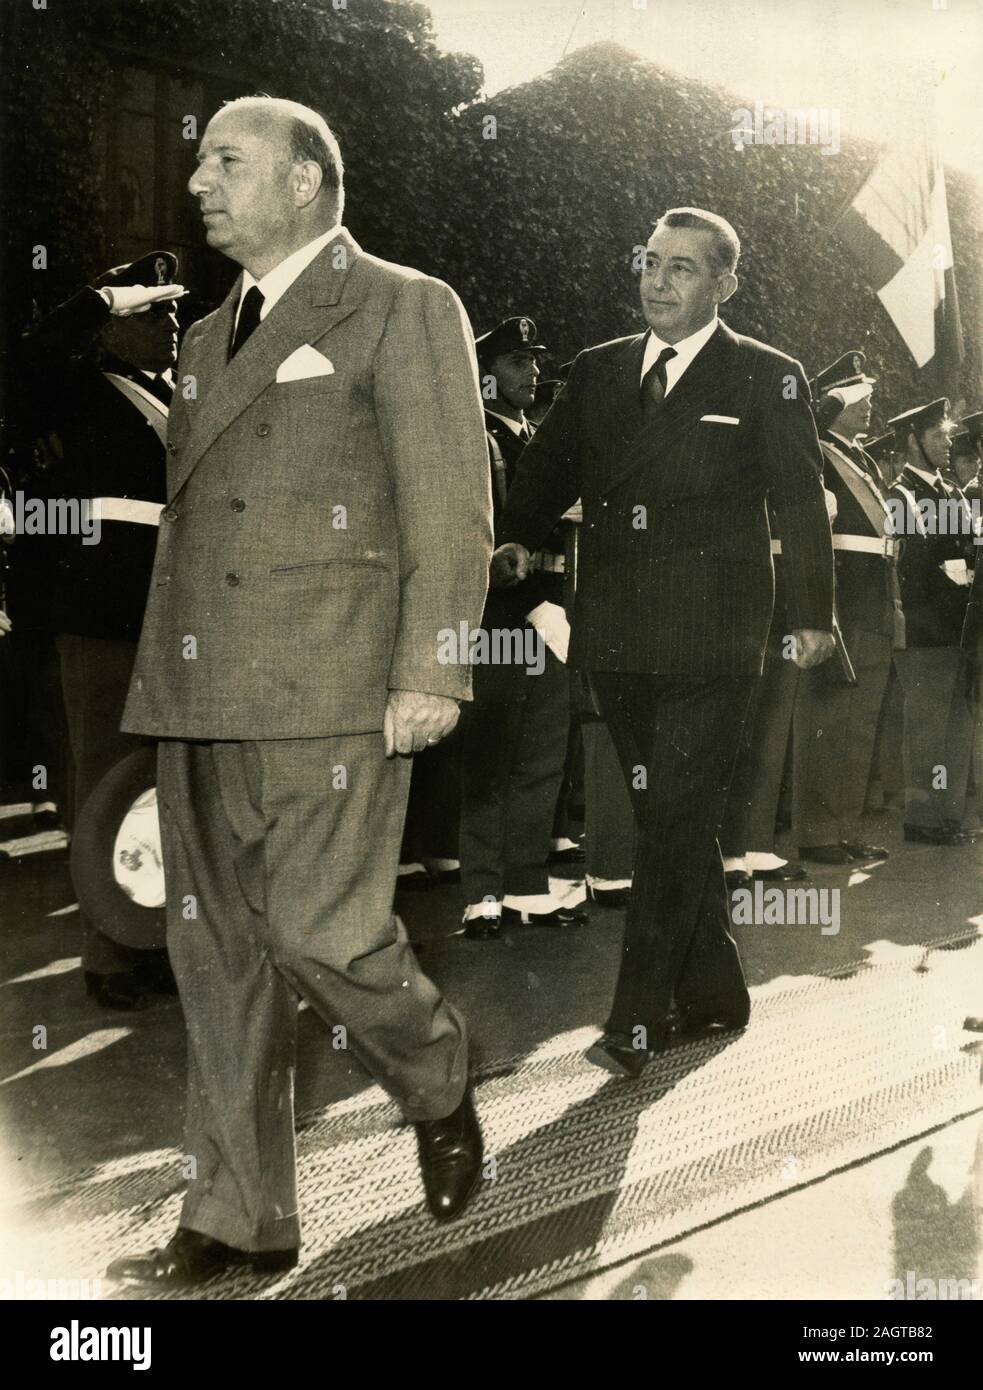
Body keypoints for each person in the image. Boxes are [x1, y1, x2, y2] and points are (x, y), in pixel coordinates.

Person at [109, 96, 491, 1289]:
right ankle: (235, 1215)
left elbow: (449, 506)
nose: (200, 183)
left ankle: (433, 1078)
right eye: (200, 163)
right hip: (197, 684)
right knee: (213, 958)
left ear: (308, 182)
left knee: (323, 934)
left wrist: (433, 668)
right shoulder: (206, 333)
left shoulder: (403, 304)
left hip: (331, 681)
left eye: (228, 161)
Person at [492, 207, 835, 1077]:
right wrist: (510, 547)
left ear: (725, 283)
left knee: (672, 821)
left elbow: (797, 504)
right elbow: (541, 477)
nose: (657, 281)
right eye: (649, 262)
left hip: (712, 639)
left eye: (682, 268)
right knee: (667, 820)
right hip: (612, 632)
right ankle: (716, 994)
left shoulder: (768, 377)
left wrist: (810, 617)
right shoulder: (599, 371)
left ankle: (635, 1022)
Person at [18, 253, 184, 1006]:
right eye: (154, 312)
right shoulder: (74, 391)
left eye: (172, 312)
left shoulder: (178, 396)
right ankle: (108, 950)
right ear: (115, 328)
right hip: (103, 612)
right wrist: (99, 297)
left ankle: (151, 933)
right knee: (104, 777)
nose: (172, 323)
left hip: (173, 614)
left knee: (164, 783)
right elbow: (25, 357)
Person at [457, 316, 587, 937]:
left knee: (542, 754)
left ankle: (525, 884)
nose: (531, 371)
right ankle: (481, 890)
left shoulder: (538, 436)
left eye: (534, 361)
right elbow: (483, 538)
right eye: (516, 362)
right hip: (500, 617)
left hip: (552, 612)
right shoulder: (476, 435)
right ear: (487, 376)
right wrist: (531, 603)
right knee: (492, 753)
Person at [792, 351, 898, 865]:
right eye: (862, 398)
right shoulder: (815, 451)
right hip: (843, 594)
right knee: (828, 714)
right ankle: (816, 832)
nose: (870, 407)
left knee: (860, 720)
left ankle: (844, 826)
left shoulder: (860, 456)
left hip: (874, 593)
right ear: (835, 402)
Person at [888, 399, 978, 845]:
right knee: (926, 728)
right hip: (927, 630)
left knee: (954, 727)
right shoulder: (901, 494)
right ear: (913, 441)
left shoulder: (951, 493)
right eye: (939, 435)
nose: (948, 443)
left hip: (957, 628)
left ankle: (949, 814)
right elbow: (917, 569)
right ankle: (922, 816)